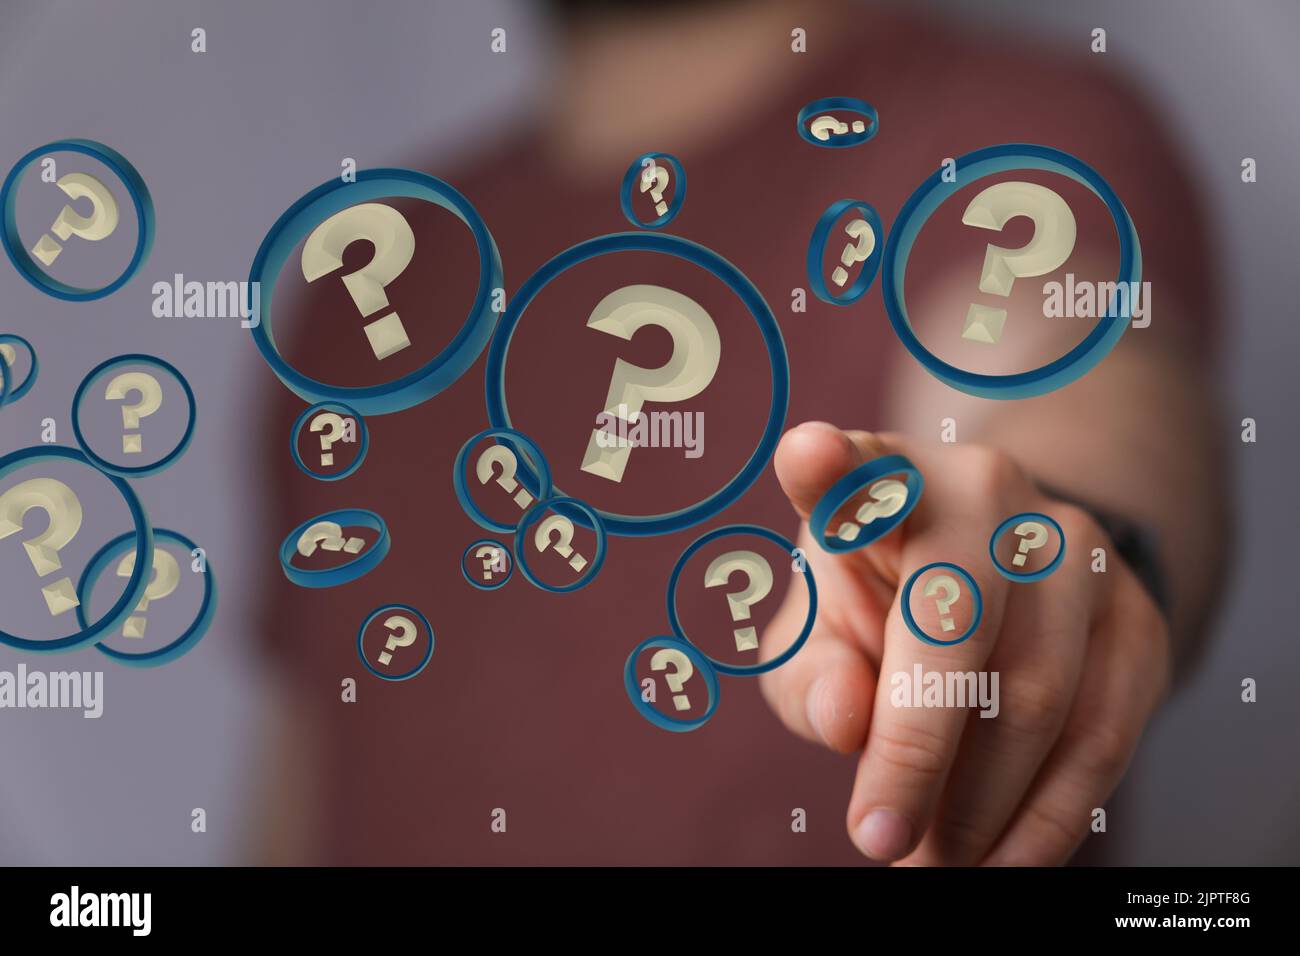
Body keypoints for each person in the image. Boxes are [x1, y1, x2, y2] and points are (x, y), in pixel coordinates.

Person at [253, 0, 1223, 865]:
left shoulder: (1008, 132)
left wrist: (1048, 541)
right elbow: (307, 781)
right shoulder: (367, 271)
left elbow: (1065, 385)